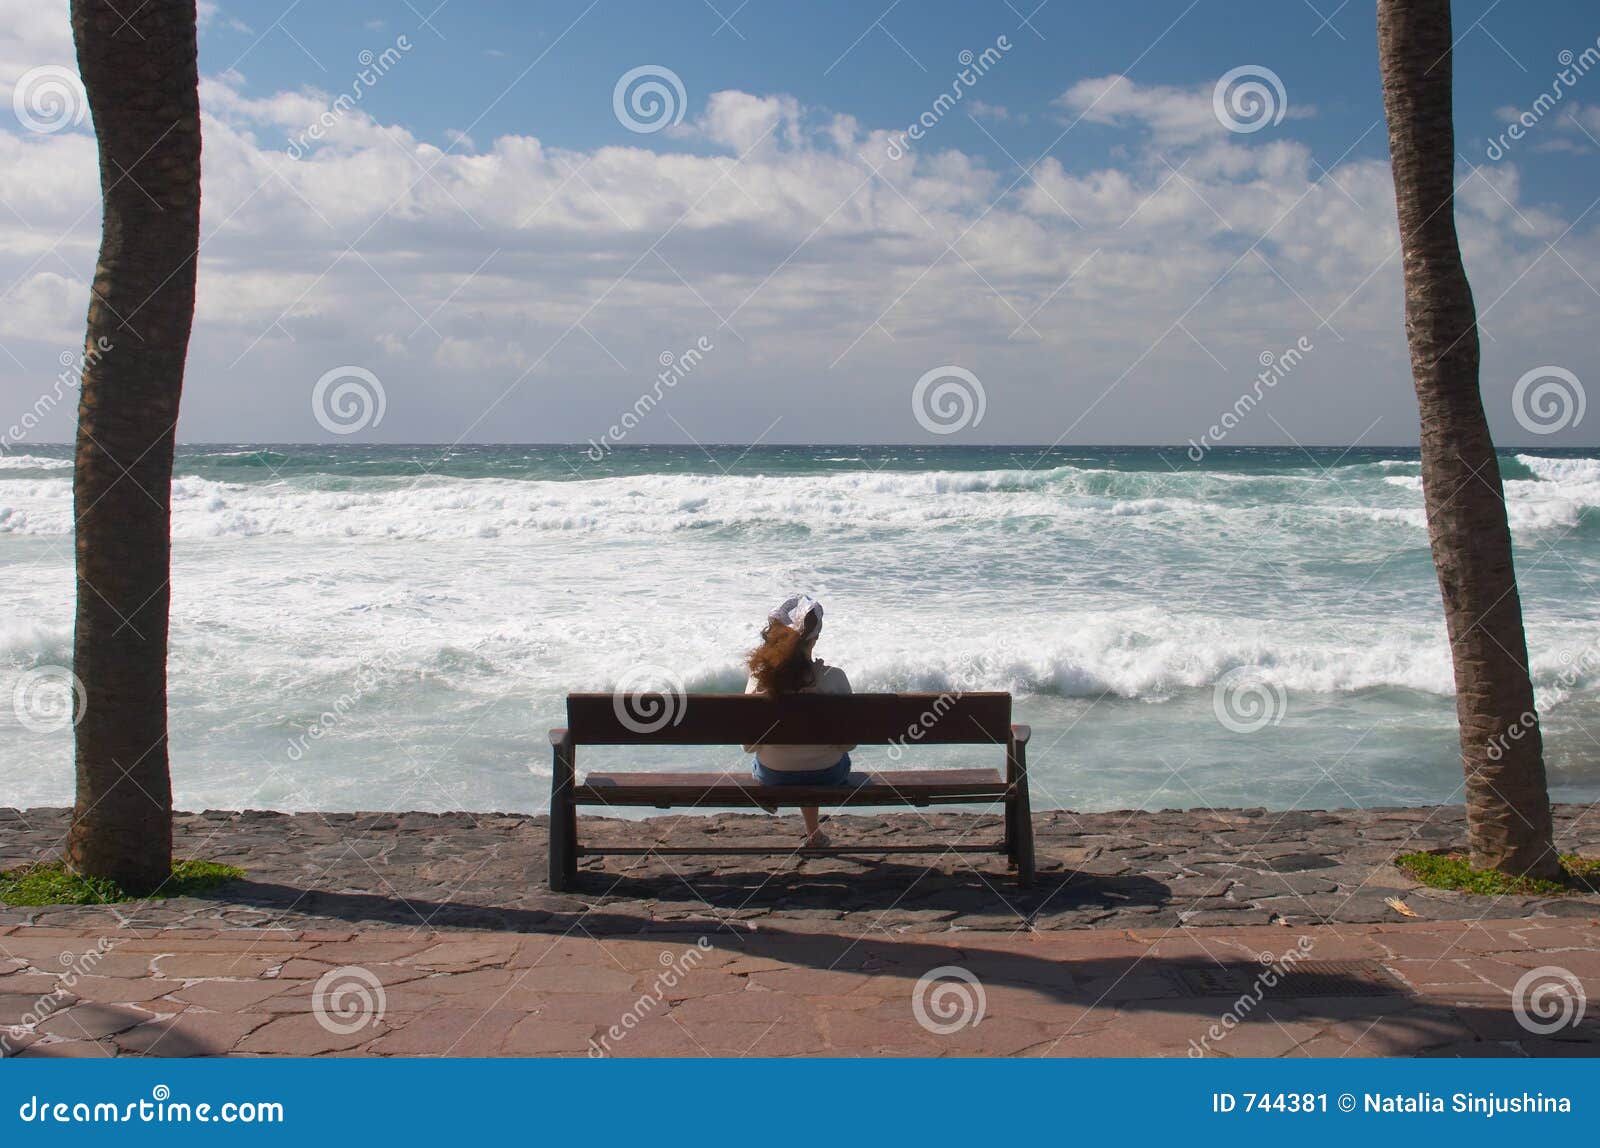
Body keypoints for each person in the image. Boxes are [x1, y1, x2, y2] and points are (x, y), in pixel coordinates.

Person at [743, 595, 856, 847]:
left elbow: (748, 746)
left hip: (774, 776)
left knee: (778, 760)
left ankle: (808, 828)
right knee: (816, 758)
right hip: (827, 775)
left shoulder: (759, 679)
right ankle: (814, 834)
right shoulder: (835, 678)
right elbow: (848, 745)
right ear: (815, 638)